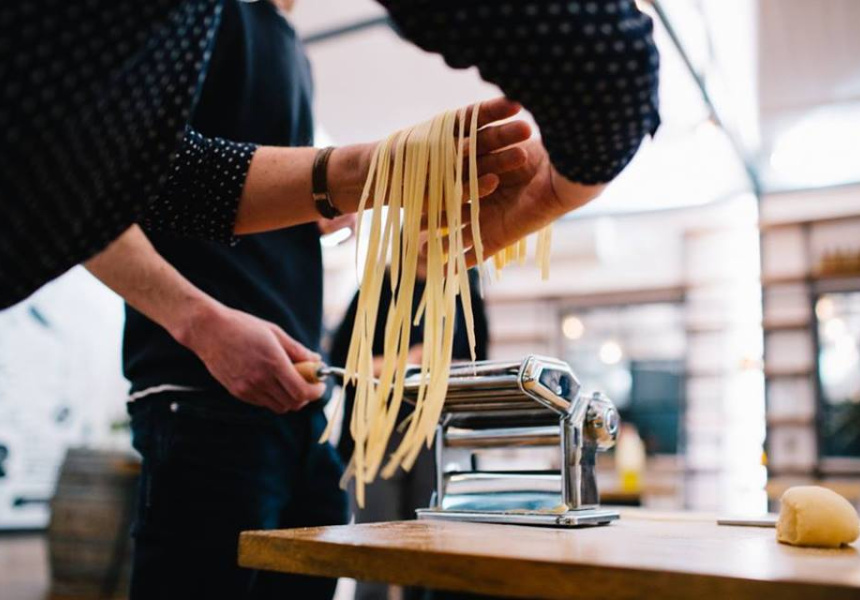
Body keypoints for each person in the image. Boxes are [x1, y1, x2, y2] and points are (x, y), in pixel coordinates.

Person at [1, 0, 661, 311]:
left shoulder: (265, 45)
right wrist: (197, 322)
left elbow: (149, 173)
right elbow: (600, 57)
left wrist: (368, 172)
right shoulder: (219, 26)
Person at [328, 268, 489, 600]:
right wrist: (405, 363)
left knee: (430, 554)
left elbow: (479, 364)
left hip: (438, 435)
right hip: (377, 434)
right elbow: (342, 364)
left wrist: (452, 369)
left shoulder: (465, 292)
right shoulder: (378, 289)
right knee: (376, 553)